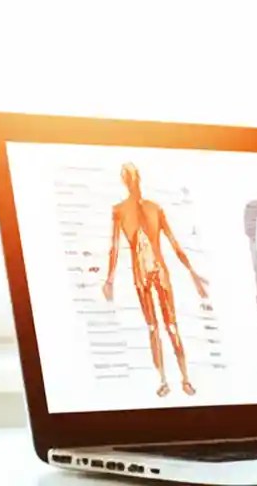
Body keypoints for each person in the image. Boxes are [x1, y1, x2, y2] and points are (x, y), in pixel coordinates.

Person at [103, 162, 211, 397]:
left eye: (131, 177)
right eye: (129, 177)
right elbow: (115, 247)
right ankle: (168, 380)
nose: (132, 181)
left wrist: (193, 274)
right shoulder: (123, 210)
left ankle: (182, 379)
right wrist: (109, 279)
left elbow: (172, 243)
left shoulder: (143, 209)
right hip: (145, 274)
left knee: (167, 326)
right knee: (157, 327)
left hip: (154, 273)